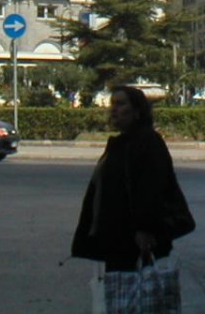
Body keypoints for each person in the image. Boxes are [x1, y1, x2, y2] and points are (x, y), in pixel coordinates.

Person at [71, 86, 189, 273]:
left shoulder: (147, 141)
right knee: (121, 293)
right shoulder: (122, 143)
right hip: (117, 237)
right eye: (112, 104)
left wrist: (145, 229)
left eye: (120, 104)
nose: (114, 109)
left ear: (137, 110)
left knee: (134, 292)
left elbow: (152, 188)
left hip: (134, 239)